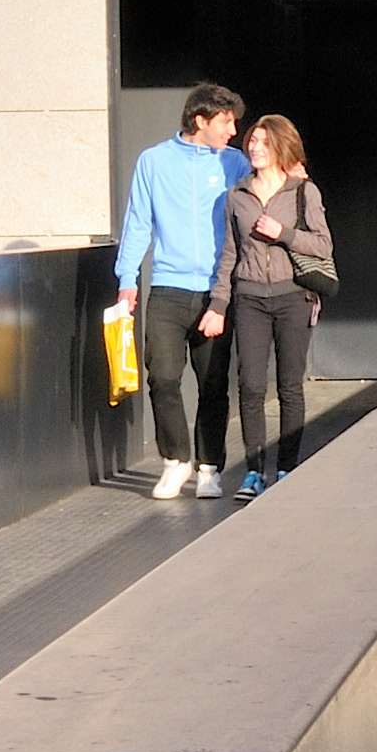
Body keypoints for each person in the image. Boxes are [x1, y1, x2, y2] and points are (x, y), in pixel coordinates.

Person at [113, 85, 247, 499]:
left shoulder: (235, 163)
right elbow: (139, 222)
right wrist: (127, 280)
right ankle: (175, 461)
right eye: (226, 121)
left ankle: (210, 468)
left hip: (216, 291)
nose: (233, 129)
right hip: (167, 289)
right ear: (200, 120)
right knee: (162, 376)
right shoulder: (153, 161)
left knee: (212, 384)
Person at [201, 112, 335, 500]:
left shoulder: (302, 192)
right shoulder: (236, 196)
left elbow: (323, 245)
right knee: (251, 386)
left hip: (293, 297)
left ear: (281, 147)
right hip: (250, 299)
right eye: (252, 142)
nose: (255, 148)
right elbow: (229, 255)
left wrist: (284, 234)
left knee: (290, 387)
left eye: (264, 142)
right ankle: (253, 473)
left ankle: (287, 468)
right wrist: (218, 304)